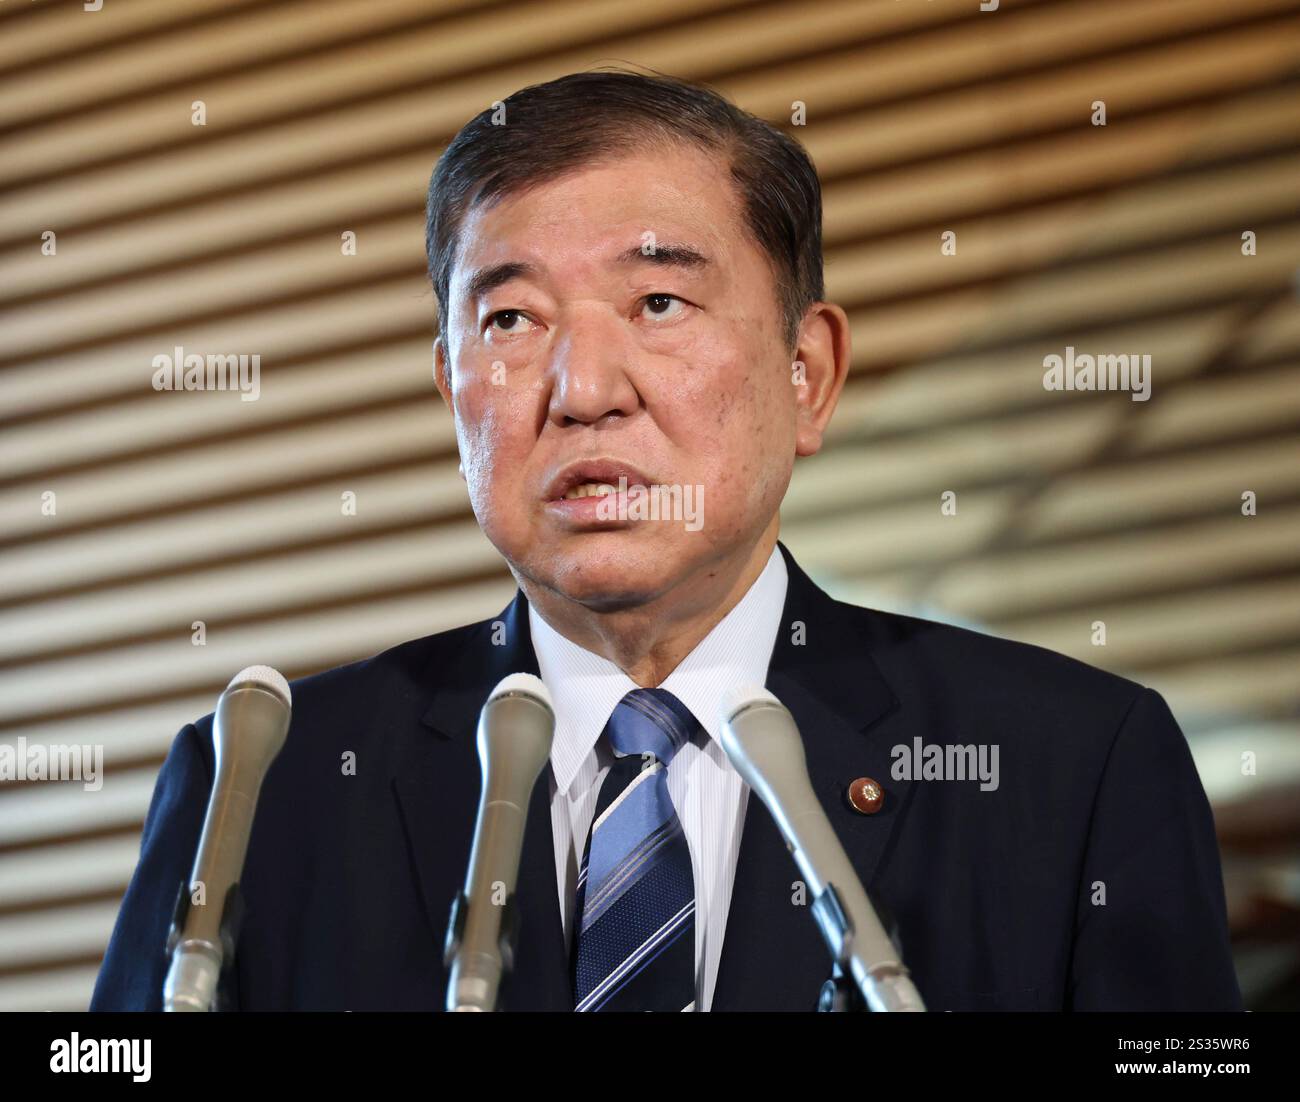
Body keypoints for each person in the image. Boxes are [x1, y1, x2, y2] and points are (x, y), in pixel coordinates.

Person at [91, 69, 1240, 1012]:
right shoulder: (258, 784)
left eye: (657, 304)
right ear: (451, 392)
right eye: (510, 319)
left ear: (810, 374)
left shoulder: (1072, 766)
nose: (583, 389)